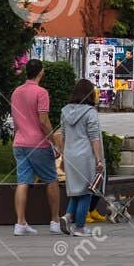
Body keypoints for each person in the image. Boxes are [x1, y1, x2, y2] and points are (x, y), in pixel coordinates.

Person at [11, 60, 64, 236]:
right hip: (38, 144)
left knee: (23, 181)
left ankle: (20, 223)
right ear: (41, 72)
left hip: (20, 142)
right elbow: (43, 121)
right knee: (51, 179)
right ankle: (55, 221)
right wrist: (53, 141)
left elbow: (16, 120)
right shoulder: (41, 93)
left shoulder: (16, 92)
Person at [54, 79, 105, 238]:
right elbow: (94, 137)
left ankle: (67, 217)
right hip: (85, 155)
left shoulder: (64, 111)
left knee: (76, 191)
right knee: (86, 192)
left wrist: (64, 156)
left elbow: (62, 135)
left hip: (70, 154)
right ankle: (80, 227)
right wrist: (99, 159)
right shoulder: (90, 112)